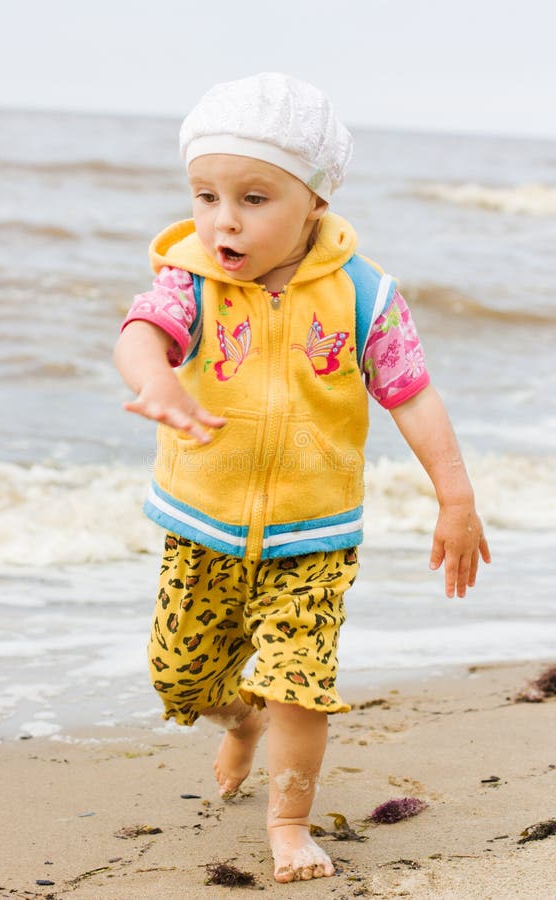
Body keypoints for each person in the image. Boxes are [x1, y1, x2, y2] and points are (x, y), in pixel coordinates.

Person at [114, 72, 491, 884]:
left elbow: (412, 395)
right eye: (206, 196)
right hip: (202, 526)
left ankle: (290, 823)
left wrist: (456, 497)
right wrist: (157, 380)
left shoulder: (363, 294)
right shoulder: (191, 279)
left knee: (300, 684)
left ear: (315, 199)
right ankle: (239, 721)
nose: (224, 219)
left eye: (254, 198)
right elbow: (141, 332)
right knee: (179, 677)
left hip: (314, 538)